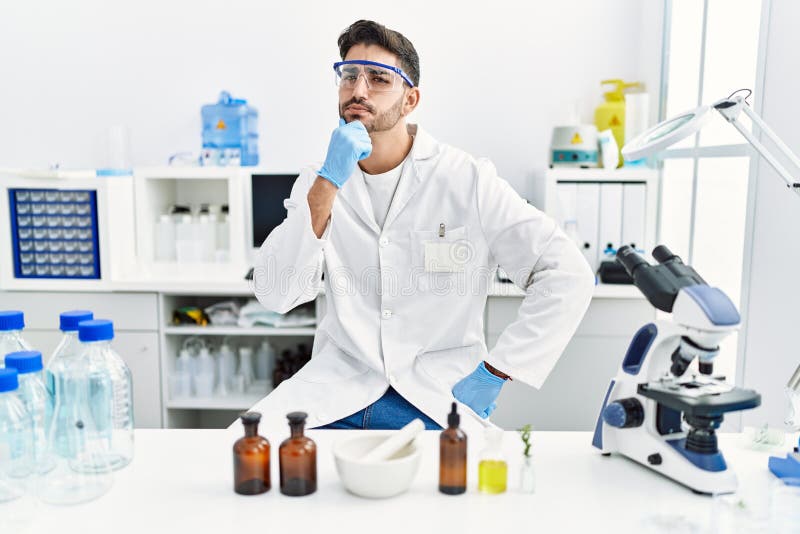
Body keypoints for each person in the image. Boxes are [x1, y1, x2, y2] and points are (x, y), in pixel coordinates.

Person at [244, 20, 594, 434]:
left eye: (378, 79)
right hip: (336, 394)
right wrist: (328, 183)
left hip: (435, 398)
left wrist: (498, 371)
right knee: (247, 466)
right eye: (349, 75)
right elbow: (276, 294)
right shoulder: (318, 182)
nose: (358, 90)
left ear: (410, 100)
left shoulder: (467, 179)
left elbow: (568, 274)